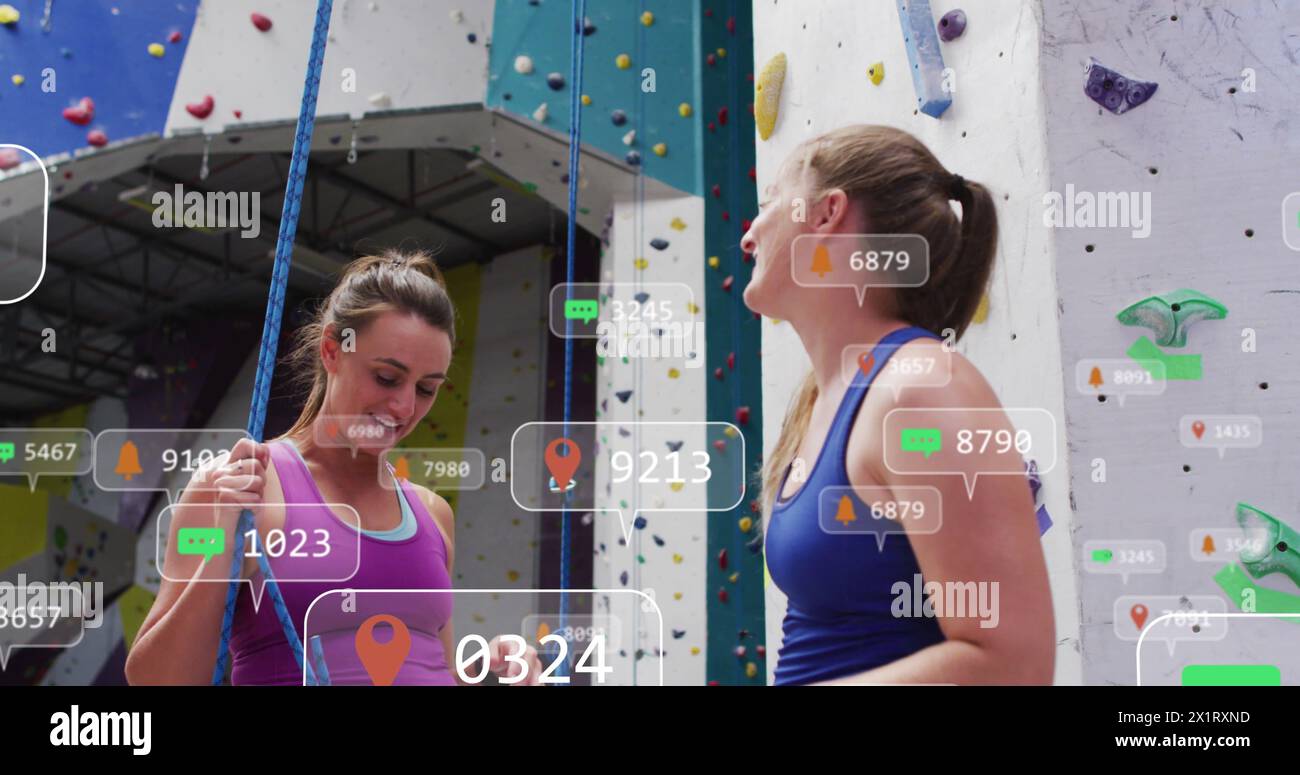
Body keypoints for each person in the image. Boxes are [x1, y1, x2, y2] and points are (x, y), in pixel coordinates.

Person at [126, 250, 540, 685]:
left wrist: (488, 669)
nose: (403, 406)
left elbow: (430, 669)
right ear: (331, 350)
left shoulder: (433, 515)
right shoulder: (242, 487)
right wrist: (220, 544)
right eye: (386, 377)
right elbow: (155, 679)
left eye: (426, 388)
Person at [740, 125, 1054, 685]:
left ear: (826, 213)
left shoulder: (922, 391)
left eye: (768, 206)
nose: (750, 235)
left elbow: (1014, 665)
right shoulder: (826, 403)